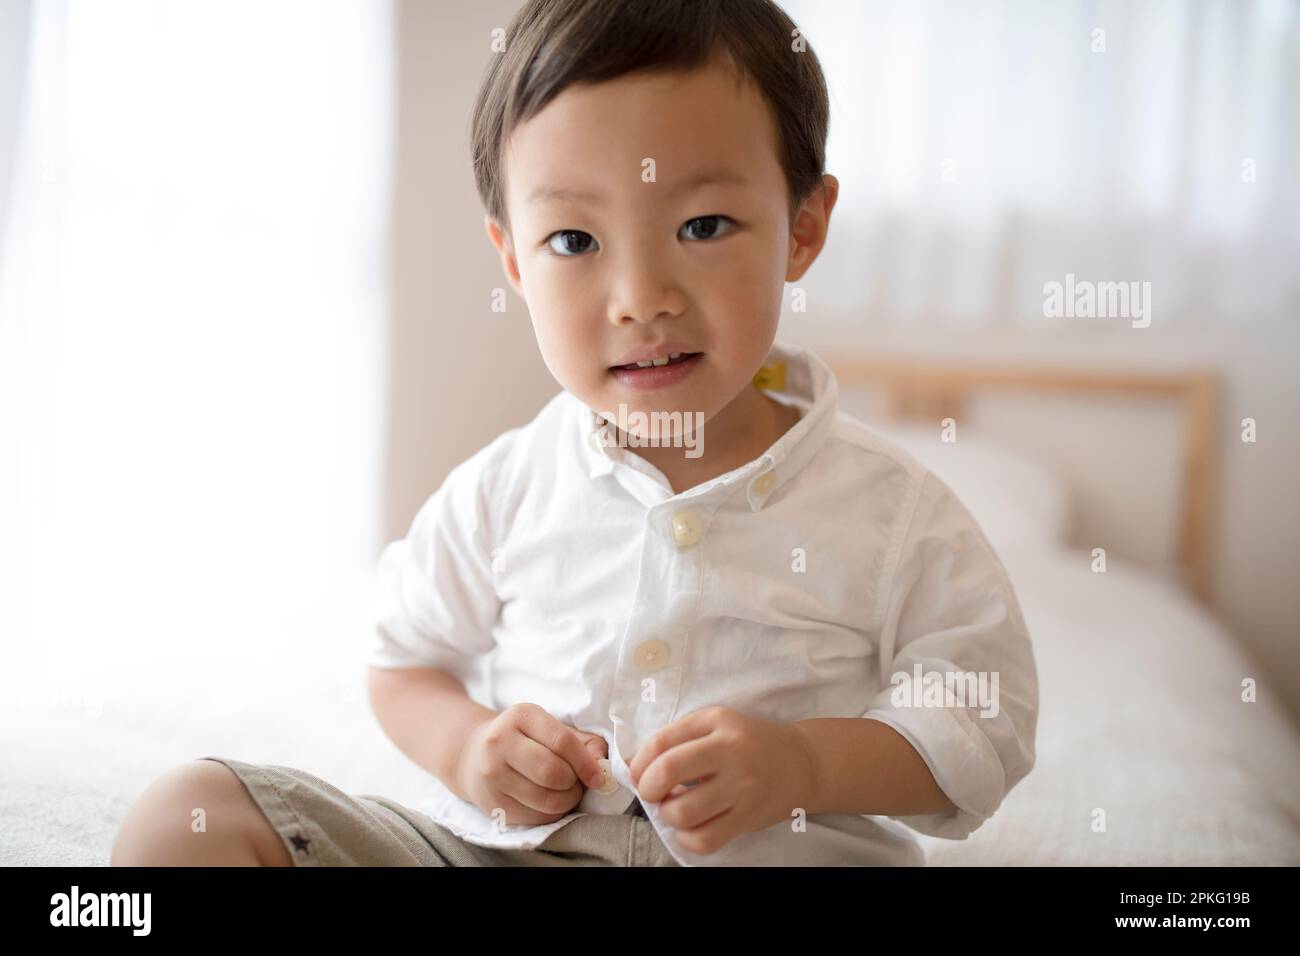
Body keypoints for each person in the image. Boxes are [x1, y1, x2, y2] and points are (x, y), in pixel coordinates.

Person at [112, 0, 1037, 868]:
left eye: (703, 224)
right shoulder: (508, 487)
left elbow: (981, 719)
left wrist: (803, 767)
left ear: (802, 227)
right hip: (523, 852)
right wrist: (473, 748)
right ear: (513, 257)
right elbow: (405, 660)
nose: (641, 299)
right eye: (574, 242)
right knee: (186, 816)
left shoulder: (893, 514)